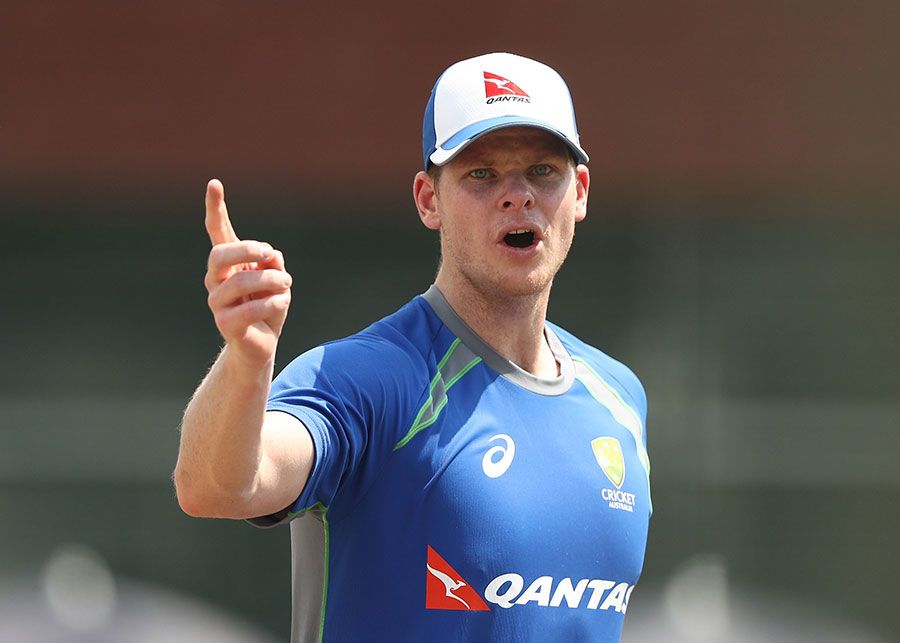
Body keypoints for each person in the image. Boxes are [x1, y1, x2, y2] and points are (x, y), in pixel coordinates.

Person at [175, 52, 651, 642]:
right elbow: (214, 487)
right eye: (482, 173)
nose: (517, 196)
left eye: (543, 172)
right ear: (429, 199)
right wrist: (246, 364)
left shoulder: (619, 401)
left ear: (578, 191)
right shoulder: (370, 378)